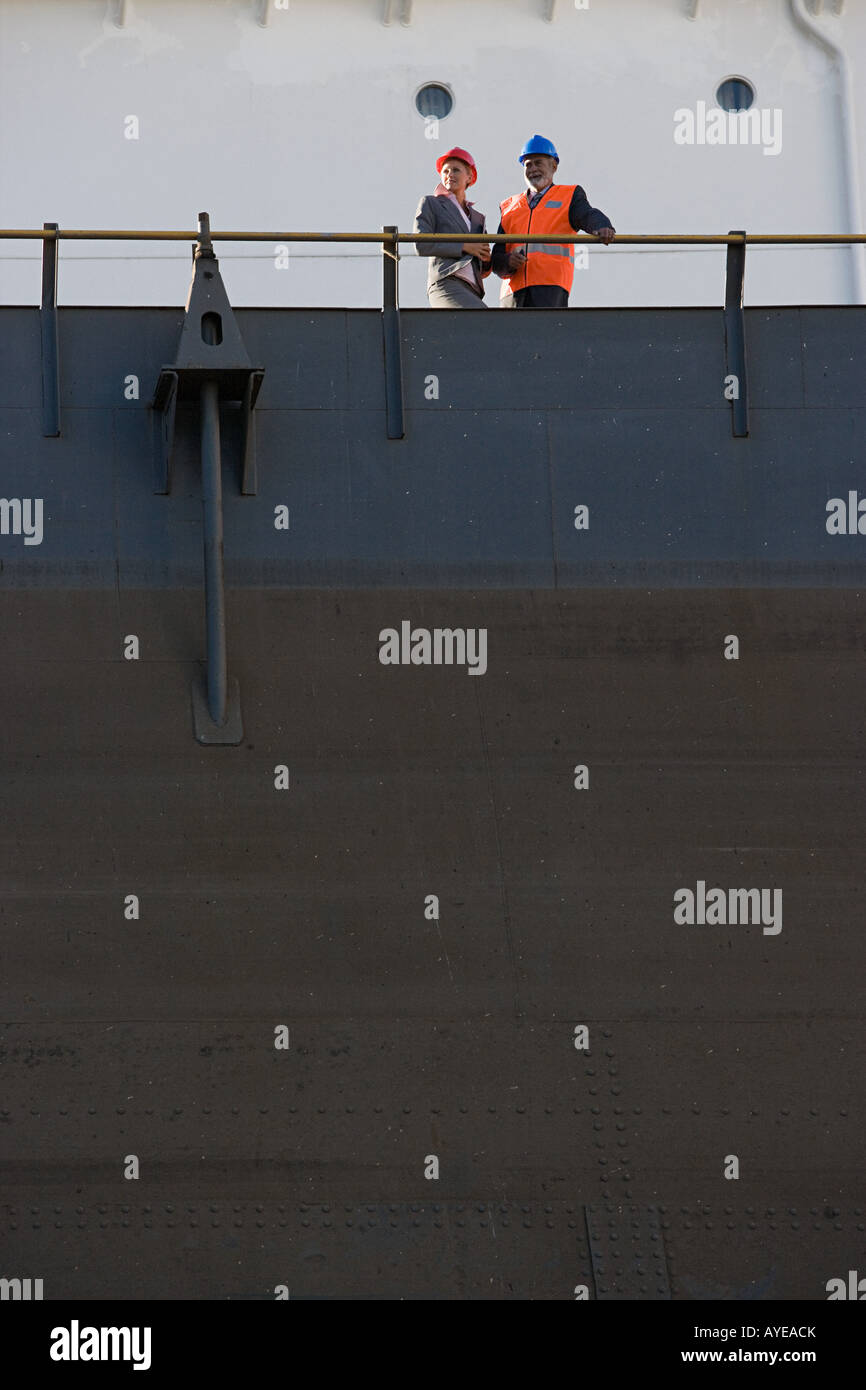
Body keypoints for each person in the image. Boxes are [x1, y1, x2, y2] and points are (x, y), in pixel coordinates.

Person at [491, 135, 615, 308]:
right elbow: (496, 259)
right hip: (512, 294)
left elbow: (588, 215)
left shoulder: (569, 196)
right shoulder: (509, 206)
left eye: (538, 163)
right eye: (528, 164)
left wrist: (602, 227)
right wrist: (508, 262)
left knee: (547, 326)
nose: (533, 169)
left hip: (550, 288)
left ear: (554, 166)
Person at [413, 146, 492, 307]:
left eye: (456, 170)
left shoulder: (477, 218)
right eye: (446, 171)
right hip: (446, 282)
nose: (449, 174)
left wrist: (486, 259)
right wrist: (464, 246)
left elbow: (482, 268)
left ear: (469, 177)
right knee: (486, 318)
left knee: (489, 319)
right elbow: (421, 244)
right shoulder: (431, 203)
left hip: (472, 289)